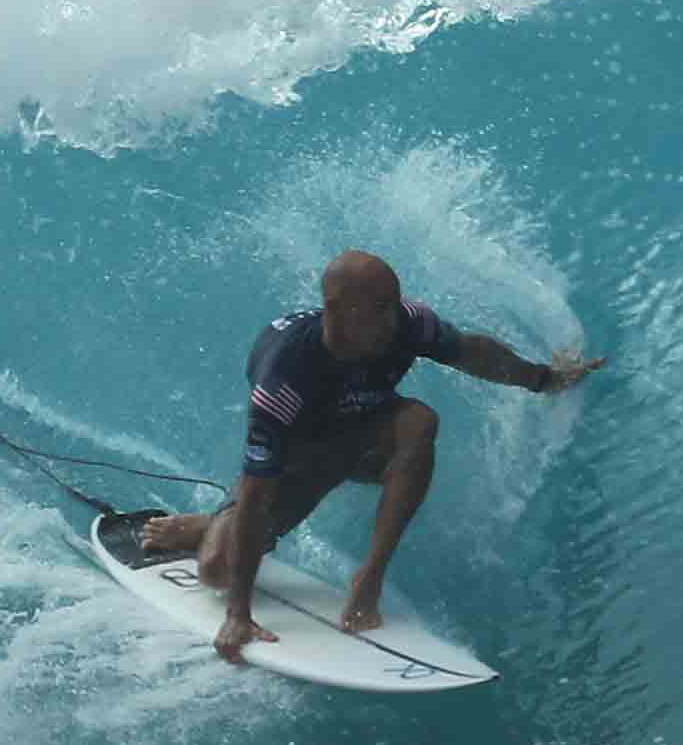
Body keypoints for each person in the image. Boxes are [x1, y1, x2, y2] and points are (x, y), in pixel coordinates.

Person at [115, 251, 601, 662]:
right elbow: (261, 489)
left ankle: (368, 571)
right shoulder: (284, 378)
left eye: (394, 304)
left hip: (364, 433)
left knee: (419, 423)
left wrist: (543, 379)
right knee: (216, 571)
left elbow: (470, 351)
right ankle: (212, 524)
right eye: (382, 308)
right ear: (338, 310)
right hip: (299, 457)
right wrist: (239, 614)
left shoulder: (403, 324)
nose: (396, 317)